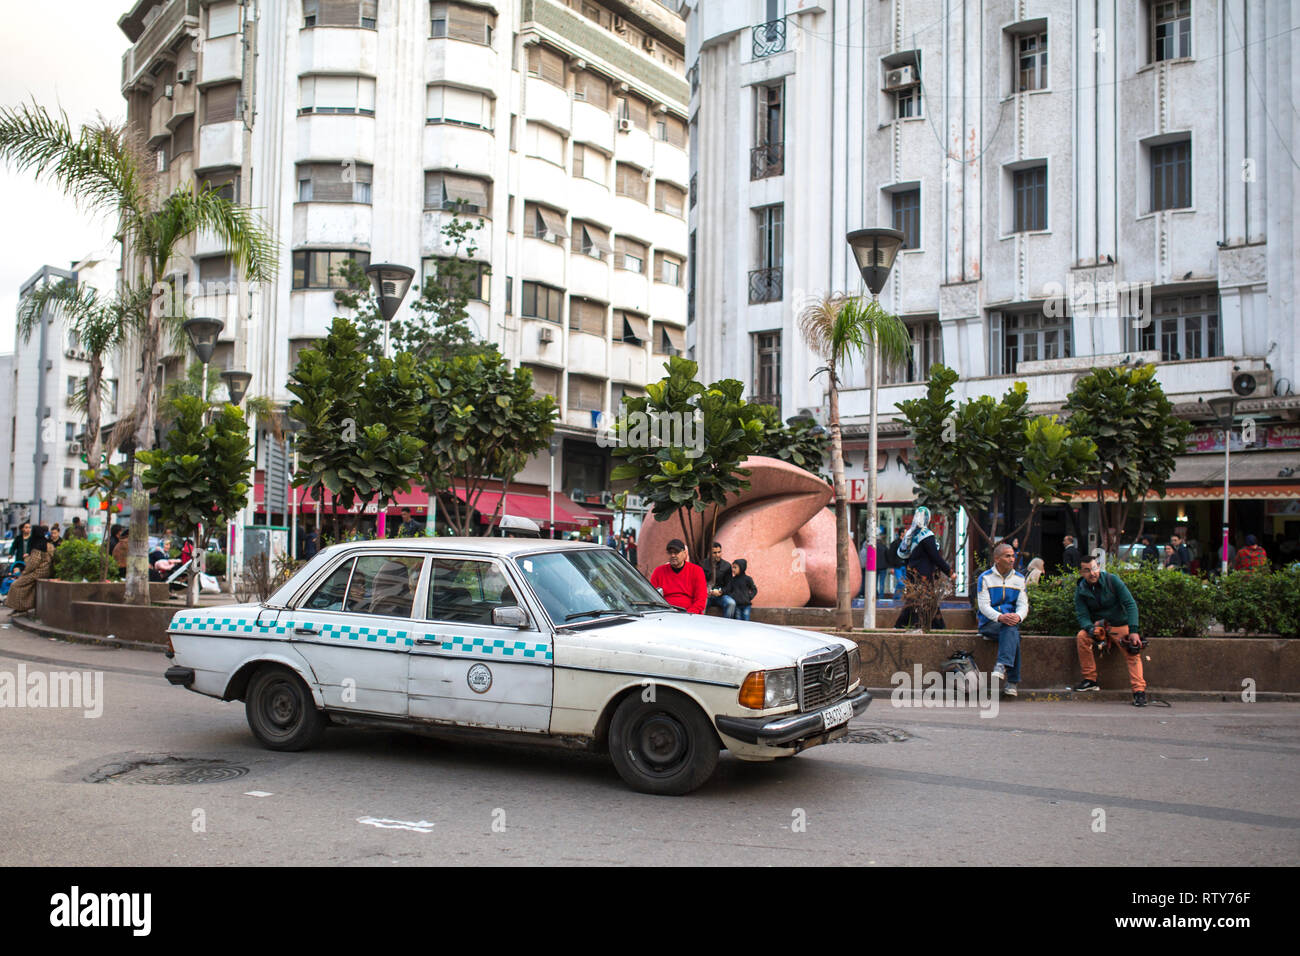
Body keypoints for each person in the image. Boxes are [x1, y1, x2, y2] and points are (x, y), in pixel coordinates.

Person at [1073, 554, 1147, 706]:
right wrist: (1090, 629)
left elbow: (1130, 604)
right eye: (1087, 570)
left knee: (1132, 651)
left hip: (1120, 625)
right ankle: (1090, 680)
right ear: (1081, 572)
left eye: (1094, 568)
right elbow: (1082, 615)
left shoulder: (1113, 580)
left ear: (1098, 567)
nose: (1092, 573)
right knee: (1082, 637)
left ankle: (1139, 691)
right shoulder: (1080, 589)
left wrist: (1133, 630)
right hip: (1099, 627)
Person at [976, 542, 1029, 697]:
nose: (1012, 559)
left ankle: (1001, 665)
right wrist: (1000, 617)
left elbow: (1023, 604)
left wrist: (1018, 616)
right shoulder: (985, 578)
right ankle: (1012, 682)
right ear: (997, 559)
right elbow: (983, 606)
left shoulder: (1019, 579)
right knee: (1013, 633)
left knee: (1012, 628)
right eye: (1008, 556)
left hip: (1010, 623)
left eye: (1013, 556)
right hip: (989, 623)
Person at [893, 506, 956, 629]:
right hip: (924, 575)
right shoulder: (926, 535)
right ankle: (934, 626)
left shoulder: (910, 534)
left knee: (917, 600)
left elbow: (904, 555)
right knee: (922, 600)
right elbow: (935, 557)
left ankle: (907, 625)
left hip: (913, 574)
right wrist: (949, 572)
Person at [649, 539, 707, 614]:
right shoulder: (658, 571)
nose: (673, 555)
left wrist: (688, 614)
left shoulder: (697, 571)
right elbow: (652, 596)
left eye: (676, 552)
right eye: (670, 553)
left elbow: (701, 599)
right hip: (665, 614)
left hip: (690, 615)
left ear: (684, 553)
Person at [4, 526, 52, 612]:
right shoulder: (48, 543)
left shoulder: (38, 546)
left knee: (16, 585)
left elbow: (33, 563)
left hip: (38, 572)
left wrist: (25, 569)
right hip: (45, 571)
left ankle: (20, 607)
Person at [703, 541, 735, 617]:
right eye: (714, 553)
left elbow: (729, 585)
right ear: (710, 553)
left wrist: (721, 592)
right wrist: (707, 591)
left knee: (731, 603)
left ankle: (727, 624)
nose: (717, 555)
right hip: (706, 595)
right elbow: (699, 582)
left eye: (719, 552)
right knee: (701, 604)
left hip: (721, 595)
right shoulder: (703, 564)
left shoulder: (726, 566)